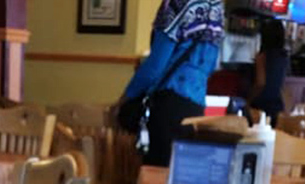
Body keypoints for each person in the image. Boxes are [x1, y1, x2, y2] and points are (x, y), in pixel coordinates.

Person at [116, 0, 224, 167]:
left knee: (156, 175)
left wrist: (126, 97)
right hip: (196, 107)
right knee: (182, 175)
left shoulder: (175, 4)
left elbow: (155, 67)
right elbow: (211, 65)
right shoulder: (216, 6)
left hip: (169, 105)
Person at [249, 18, 288, 127]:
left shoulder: (262, 57)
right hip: (277, 106)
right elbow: (282, 85)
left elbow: (260, 83)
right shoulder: (284, 57)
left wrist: (248, 100)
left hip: (261, 106)